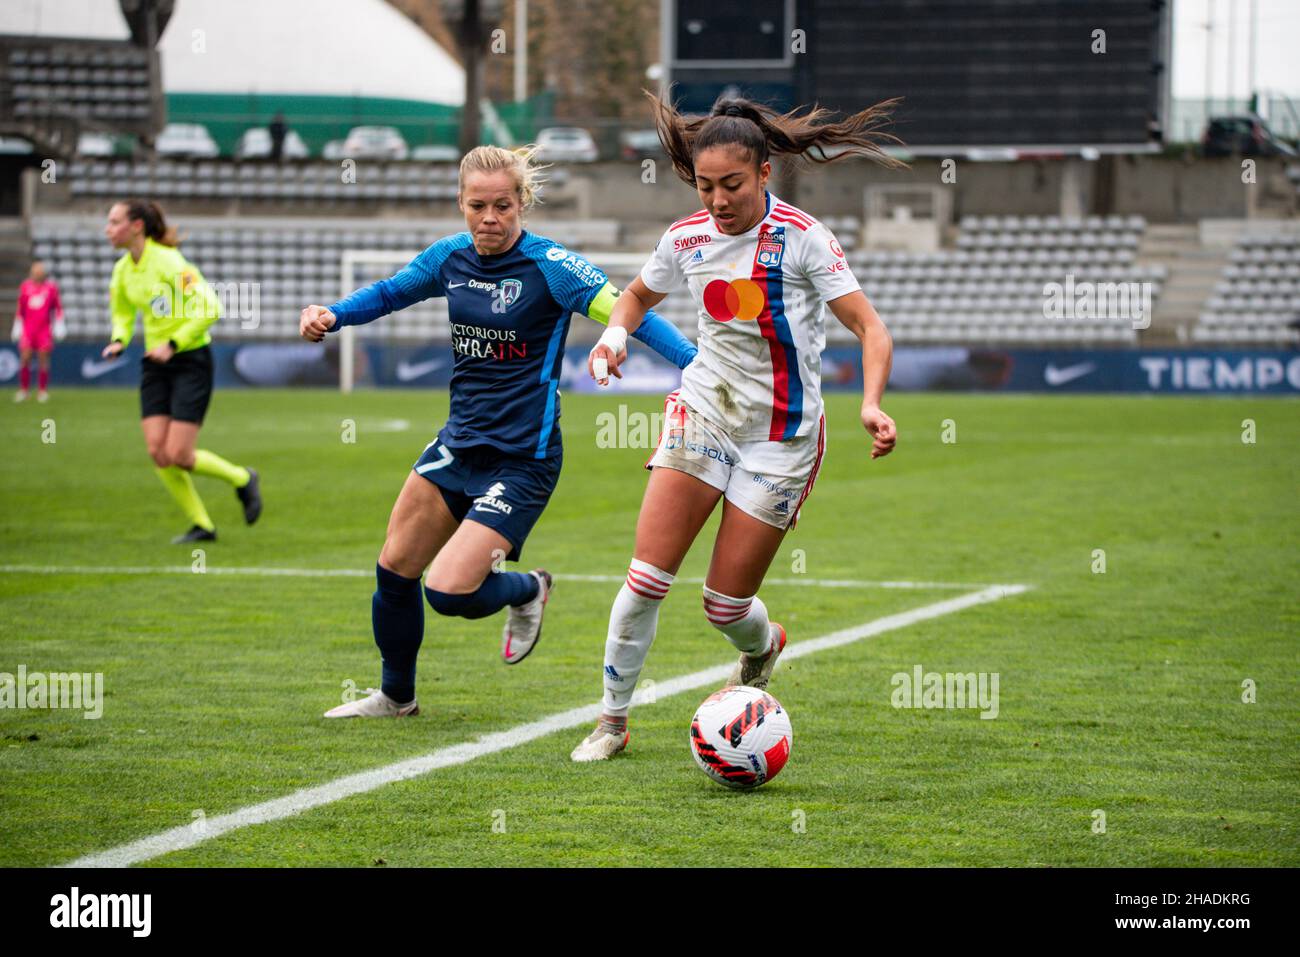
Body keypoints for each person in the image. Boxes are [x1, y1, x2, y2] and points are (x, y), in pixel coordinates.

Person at [302, 144, 697, 718]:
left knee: (447, 591)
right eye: (478, 206)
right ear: (461, 204)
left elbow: (632, 312)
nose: (490, 218)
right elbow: (390, 292)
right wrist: (334, 314)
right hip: (457, 445)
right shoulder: (449, 259)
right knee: (394, 570)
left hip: (523, 460)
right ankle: (396, 697)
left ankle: (530, 588)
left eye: (503, 206)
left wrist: (695, 365)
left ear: (523, 205)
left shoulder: (554, 267)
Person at [572, 95, 902, 761]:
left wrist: (870, 402)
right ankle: (611, 721)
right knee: (645, 578)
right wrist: (612, 338)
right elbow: (636, 294)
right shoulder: (685, 238)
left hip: (782, 437)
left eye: (732, 184)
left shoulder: (804, 238)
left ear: (763, 175)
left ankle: (764, 642)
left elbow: (871, 327)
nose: (718, 200)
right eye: (705, 185)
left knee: (724, 606)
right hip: (703, 413)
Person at [101, 199, 262, 544]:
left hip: (190, 360)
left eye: (114, 222)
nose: (108, 229)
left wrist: (173, 343)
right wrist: (118, 340)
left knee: (180, 455)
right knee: (158, 452)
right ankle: (201, 524)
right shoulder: (122, 271)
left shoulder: (170, 262)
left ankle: (242, 478)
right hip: (154, 365)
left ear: (136, 226)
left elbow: (210, 306)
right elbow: (124, 314)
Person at [12, 261, 65, 403]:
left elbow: (57, 307)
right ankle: (24, 390)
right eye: (35, 271)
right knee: (25, 358)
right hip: (28, 329)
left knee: (43, 359)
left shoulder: (51, 288)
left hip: (44, 330)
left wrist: (59, 324)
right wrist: (17, 325)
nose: (37, 274)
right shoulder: (25, 287)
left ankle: (42, 391)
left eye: (39, 271)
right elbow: (21, 308)